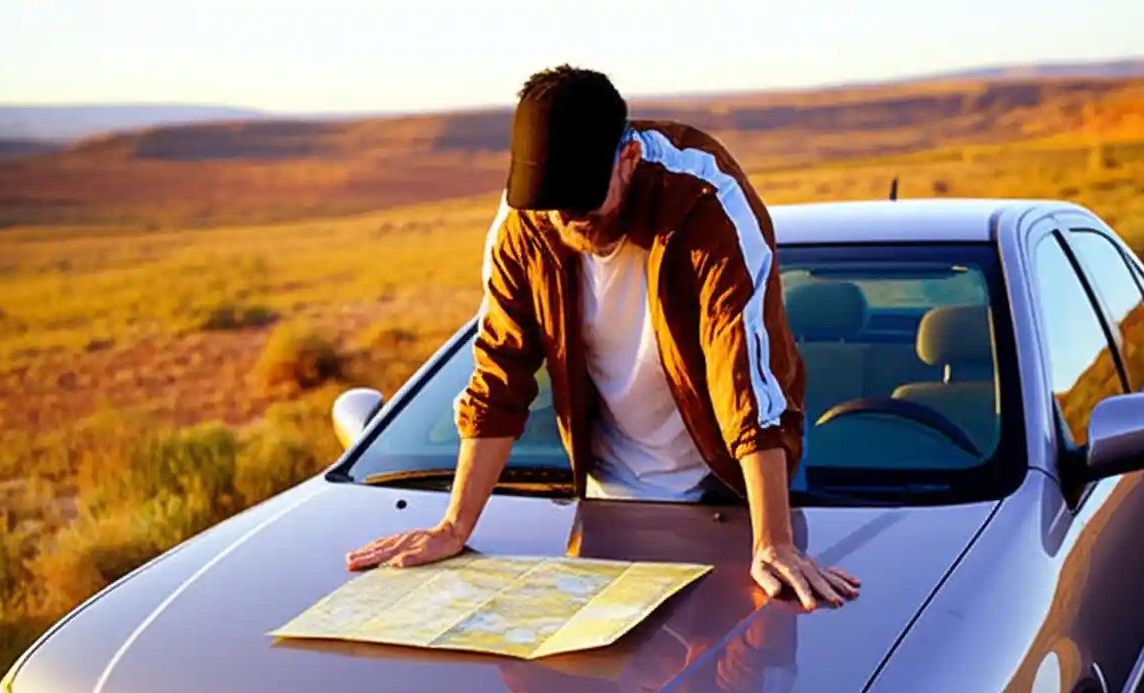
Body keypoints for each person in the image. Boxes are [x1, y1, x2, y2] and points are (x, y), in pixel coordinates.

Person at [346, 64, 860, 610]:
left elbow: (745, 378)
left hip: (733, 494)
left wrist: (773, 542)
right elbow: (499, 375)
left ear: (628, 159)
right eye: (558, 212)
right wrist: (453, 527)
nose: (572, 224)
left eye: (587, 206)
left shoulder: (707, 203)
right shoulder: (527, 223)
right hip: (603, 510)